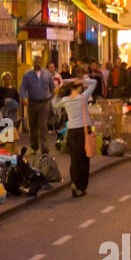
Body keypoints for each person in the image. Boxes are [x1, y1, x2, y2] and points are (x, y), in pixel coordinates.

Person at [55, 68, 97, 197]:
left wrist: (62, 88)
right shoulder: (83, 98)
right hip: (83, 131)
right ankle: (81, 186)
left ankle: (74, 182)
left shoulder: (66, 100)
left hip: (71, 131)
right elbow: (94, 82)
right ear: (78, 88)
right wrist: (84, 80)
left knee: (74, 159)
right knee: (84, 159)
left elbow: (55, 104)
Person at [20, 55, 55, 154]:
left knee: (43, 126)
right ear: (32, 62)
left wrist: (50, 98)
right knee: (33, 126)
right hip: (32, 103)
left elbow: (52, 88)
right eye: (35, 62)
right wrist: (24, 98)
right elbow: (22, 88)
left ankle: (44, 148)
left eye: (39, 62)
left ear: (41, 62)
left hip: (44, 104)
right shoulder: (27, 75)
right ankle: (34, 147)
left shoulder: (47, 74)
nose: (37, 63)